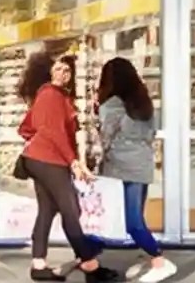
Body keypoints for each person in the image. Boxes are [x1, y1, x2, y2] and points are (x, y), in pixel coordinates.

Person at [17, 52, 118, 283]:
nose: (63, 74)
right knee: (71, 209)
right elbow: (55, 133)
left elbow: (26, 128)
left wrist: (43, 143)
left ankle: (38, 265)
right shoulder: (52, 95)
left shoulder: (50, 96)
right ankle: (90, 265)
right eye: (59, 69)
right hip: (49, 160)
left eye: (67, 70)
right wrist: (73, 161)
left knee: (47, 210)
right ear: (50, 72)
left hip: (40, 159)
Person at [97, 57, 177, 282]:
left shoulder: (111, 105)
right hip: (142, 164)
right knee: (136, 217)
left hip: (121, 167)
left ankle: (158, 259)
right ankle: (147, 259)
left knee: (131, 222)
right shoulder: (144, 103)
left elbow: (105, 138)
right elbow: (151, 133)